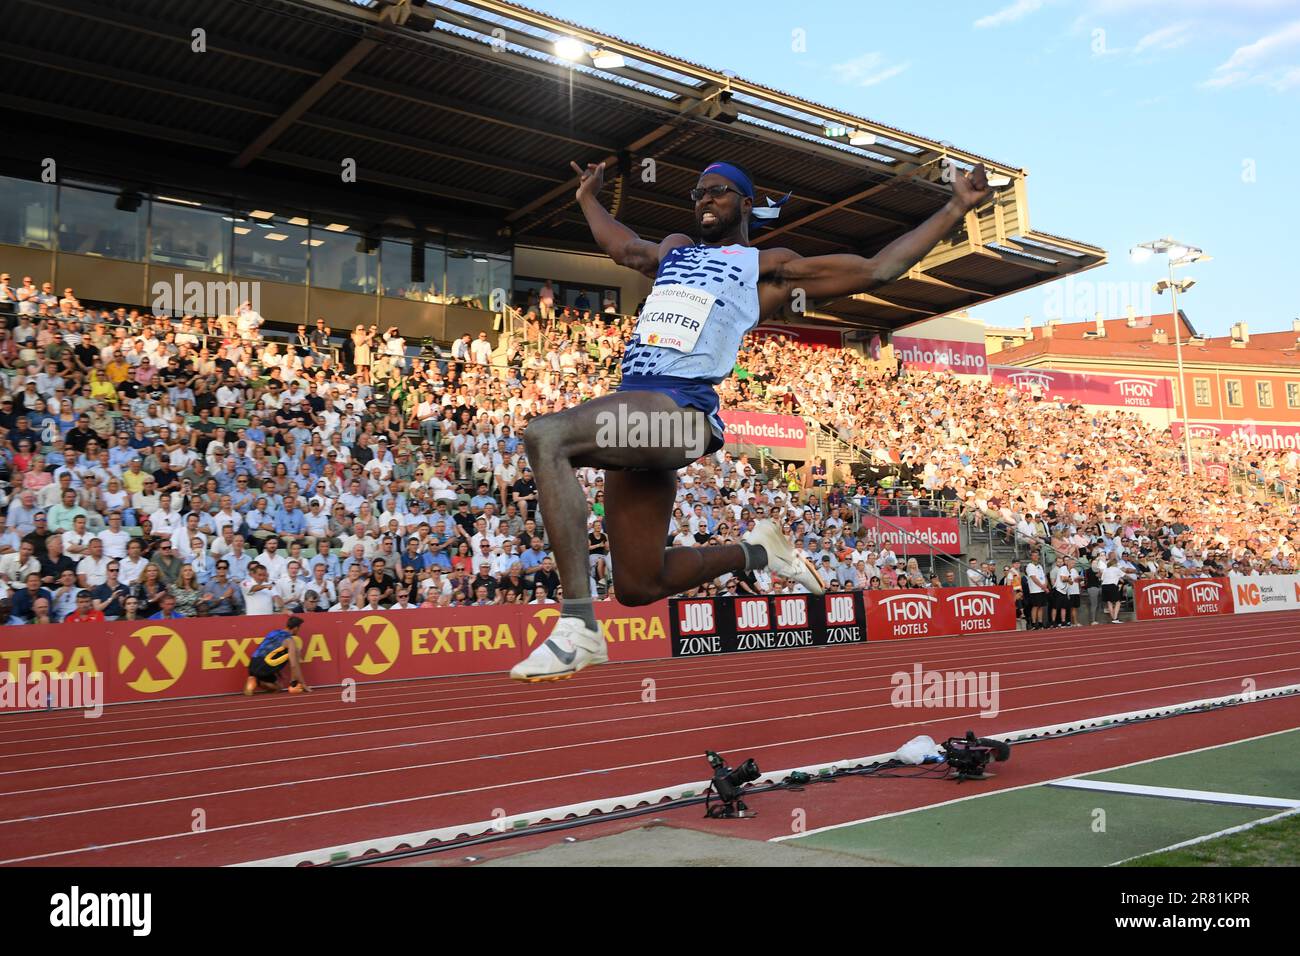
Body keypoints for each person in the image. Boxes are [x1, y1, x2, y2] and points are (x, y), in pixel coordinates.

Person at [509, 157, 993, 681]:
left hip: (680, 412)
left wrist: (954, 206)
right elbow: (621, 245)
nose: (703, 200)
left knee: (546, 434)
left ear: (745, 202)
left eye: (716, 192)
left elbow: (877, 267)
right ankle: (758, 550)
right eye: (696, 193)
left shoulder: (763, 265)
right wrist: (587, 198)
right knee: (638, 585)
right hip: (636, 418)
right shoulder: (673, 251)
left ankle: (578, 624)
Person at [244, 615, 312, 695]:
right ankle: (257, 681)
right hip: (264, 667)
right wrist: (302, 684)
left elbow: (269, 651)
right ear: (296, 628)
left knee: (277, 685)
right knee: (295, 652)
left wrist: (277, 672)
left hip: (253, 663)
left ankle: (252, 680)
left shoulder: (273, 632)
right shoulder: (290, 641)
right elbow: (294, 665)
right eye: (299, 629)